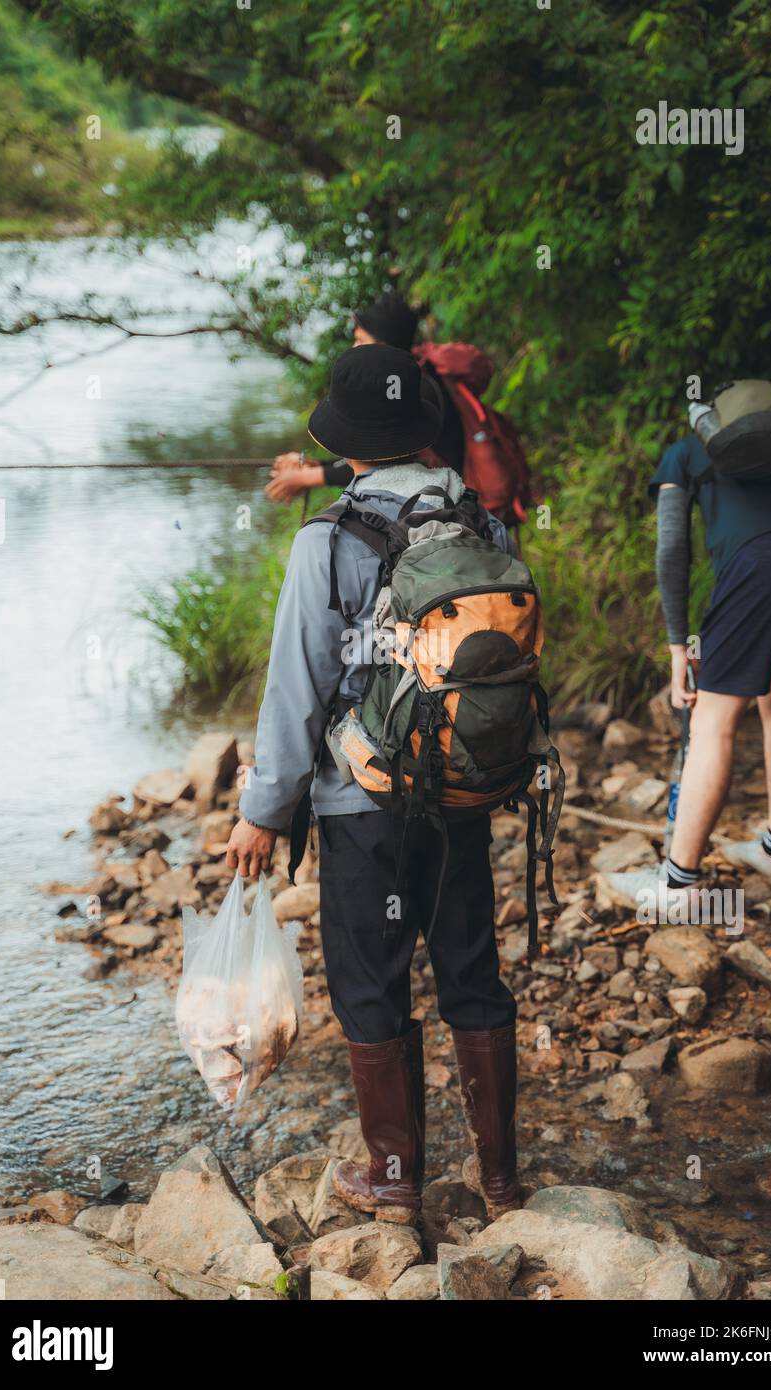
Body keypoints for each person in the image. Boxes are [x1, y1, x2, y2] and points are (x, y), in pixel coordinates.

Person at [227, 344, 523, 1225]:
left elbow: (298, 685)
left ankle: (394, 1175)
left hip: (363, 802)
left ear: (346, 446)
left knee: (370, 980)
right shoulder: (478, 522)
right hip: (463, 790)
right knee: (470, 967)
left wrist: (262, 813)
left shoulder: (329, 538)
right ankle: (501, 1177)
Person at [600, 427, 771, 915]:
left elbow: (671, 547)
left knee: (711, 722)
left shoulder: (687, 450)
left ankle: (677, 886)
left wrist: (678, 645)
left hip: (761, 562)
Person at [265, 291, 532, 527]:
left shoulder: (414, 390)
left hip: (456, 518)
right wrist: (316, 467)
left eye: (360, 340)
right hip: (454, 510)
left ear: (383, 344)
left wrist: (309, 477)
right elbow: (380, 456)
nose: (354, 348)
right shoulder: (414, 379)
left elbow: (386, 459)